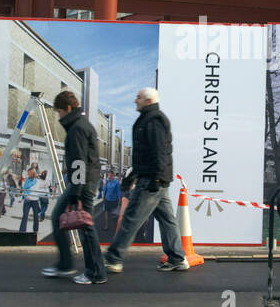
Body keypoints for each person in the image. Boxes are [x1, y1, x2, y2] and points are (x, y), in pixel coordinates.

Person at [104, 87, 185, 272]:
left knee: (131, 218)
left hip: (151, 180)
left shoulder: (154, 120)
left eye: (138, 98)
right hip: (156, 179)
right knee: (167, 220)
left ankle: (113, 258)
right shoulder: (148, 119)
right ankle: (177, 258)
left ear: (148, 101)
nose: (135, 100)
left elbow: (160, 152)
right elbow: (144, 155)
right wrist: (131, 177)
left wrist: (154, 179)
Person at [42, 90, 106, 284]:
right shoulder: (83, 125)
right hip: (86, 181)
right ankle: (67, 264)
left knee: (83, 225)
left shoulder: (77, 128)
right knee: (77, 223)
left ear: (68, 108)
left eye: (60, 112)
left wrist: (75, 193)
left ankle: (94, 272)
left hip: (82, 184)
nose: (59, 116)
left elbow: (78, 162)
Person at [102, 171, 121, 238]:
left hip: (114, 200)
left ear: (113, 176)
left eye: (110, 175)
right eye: (108, 175)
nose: (109, 176)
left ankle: (116, 228)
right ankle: (106, 226)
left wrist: (119, 199)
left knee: (114, 214)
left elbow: (118, 191)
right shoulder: (107, 182)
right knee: (106, 212)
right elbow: (105, 189)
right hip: (107, 199)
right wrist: (103, 197)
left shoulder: (116, 182)